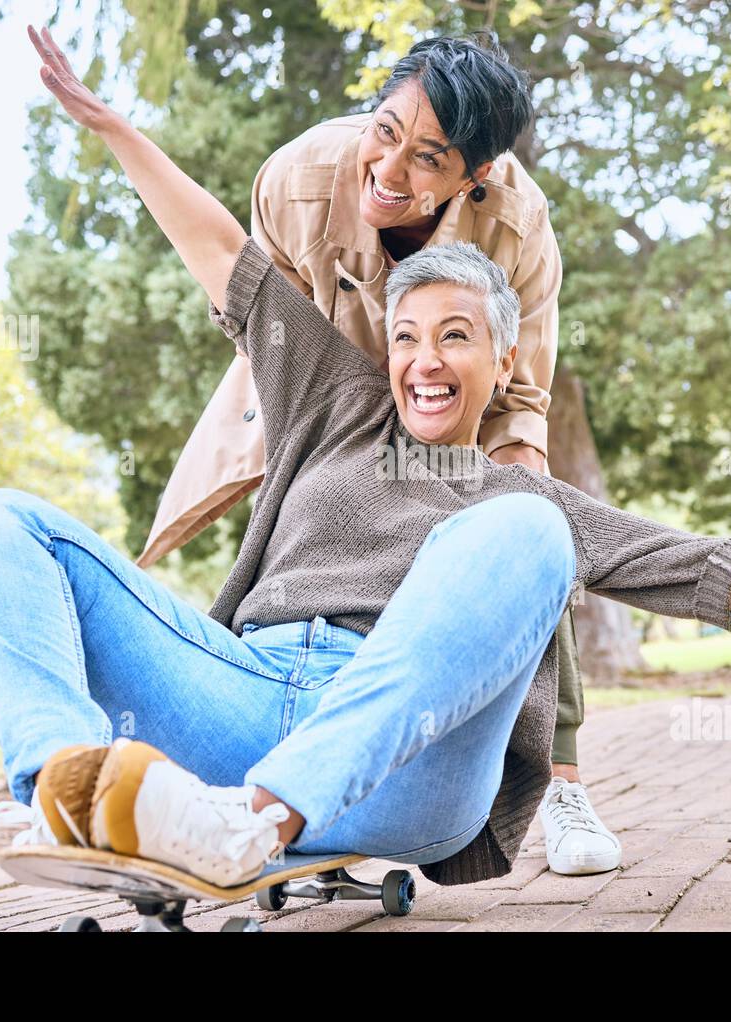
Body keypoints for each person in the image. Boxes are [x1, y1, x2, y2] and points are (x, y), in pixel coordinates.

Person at [0, 26, 731, 892]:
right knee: (3, 520)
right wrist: (113, 126)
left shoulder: (512, 501)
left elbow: (710, 564)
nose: (424, 361)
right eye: (405, 335)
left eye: (455, 337)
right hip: (242, 695)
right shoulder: (324, 399)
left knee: (529, 524)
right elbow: (213, 242)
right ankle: (63, 785)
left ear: (502, 357)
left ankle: (252, 822)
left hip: (408, 768)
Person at [133, 32, 617, 874]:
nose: (390, 171)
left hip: (460, 379)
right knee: (312, 527)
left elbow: (526, 389)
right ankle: (301, 754)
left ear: (475, 176)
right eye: (385, 132)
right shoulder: (296, 177)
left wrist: (502, 454)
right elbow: (254, 292)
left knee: (524, 516)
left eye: (428, 158)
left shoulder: (519, 224)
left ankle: (562, 779)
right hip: (334, 377)